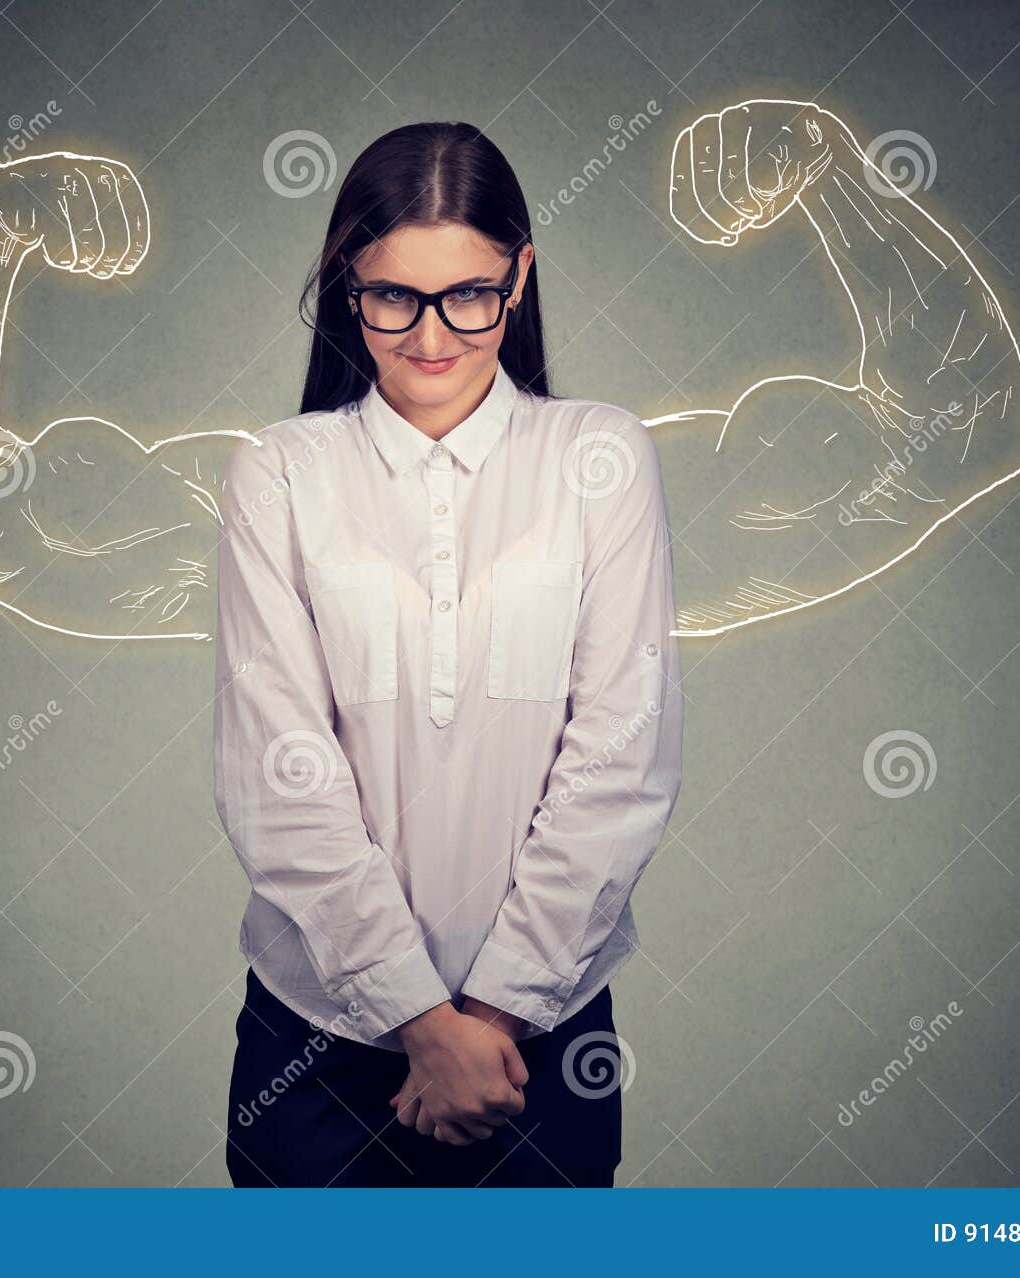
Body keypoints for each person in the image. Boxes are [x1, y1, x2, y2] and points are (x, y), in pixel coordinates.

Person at [212, 121, 684, 1187]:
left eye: (467, 293)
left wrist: (492, 1016)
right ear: (345, 286)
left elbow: (622, 755)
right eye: (392, 296)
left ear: (519, 280)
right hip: (314, 1044)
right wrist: (422, 1020)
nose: (431, 334)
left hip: (543, 1039)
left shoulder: (598, 457)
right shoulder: (279, 474)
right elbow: (276, 774)